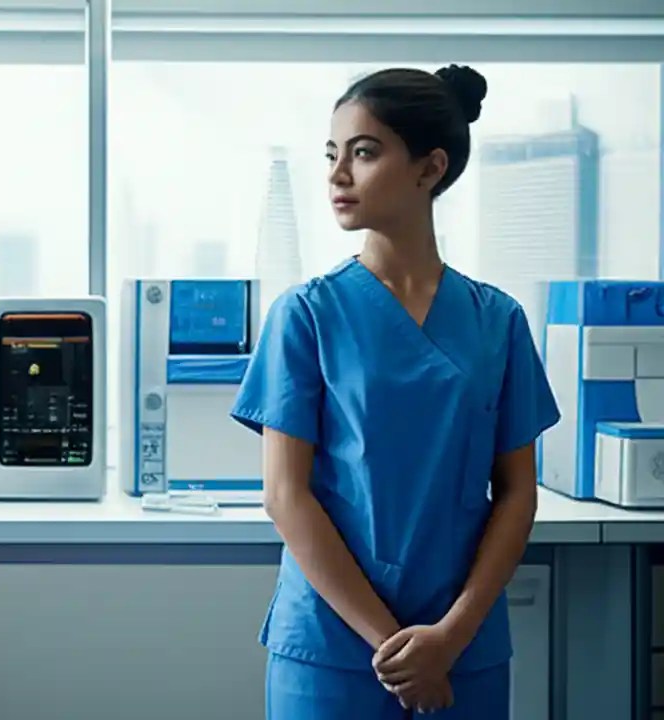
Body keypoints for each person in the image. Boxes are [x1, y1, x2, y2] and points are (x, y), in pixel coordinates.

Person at [230, 64, 560, 719]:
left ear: (429, 168)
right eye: (332, 154)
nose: (336, 175)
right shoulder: (306, 315)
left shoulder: (498, 322)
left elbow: (518, 491)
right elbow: (284, 495)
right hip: (332, 648)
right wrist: (399, 652)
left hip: (462, 646)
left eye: (364, 152)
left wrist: (450, 638)